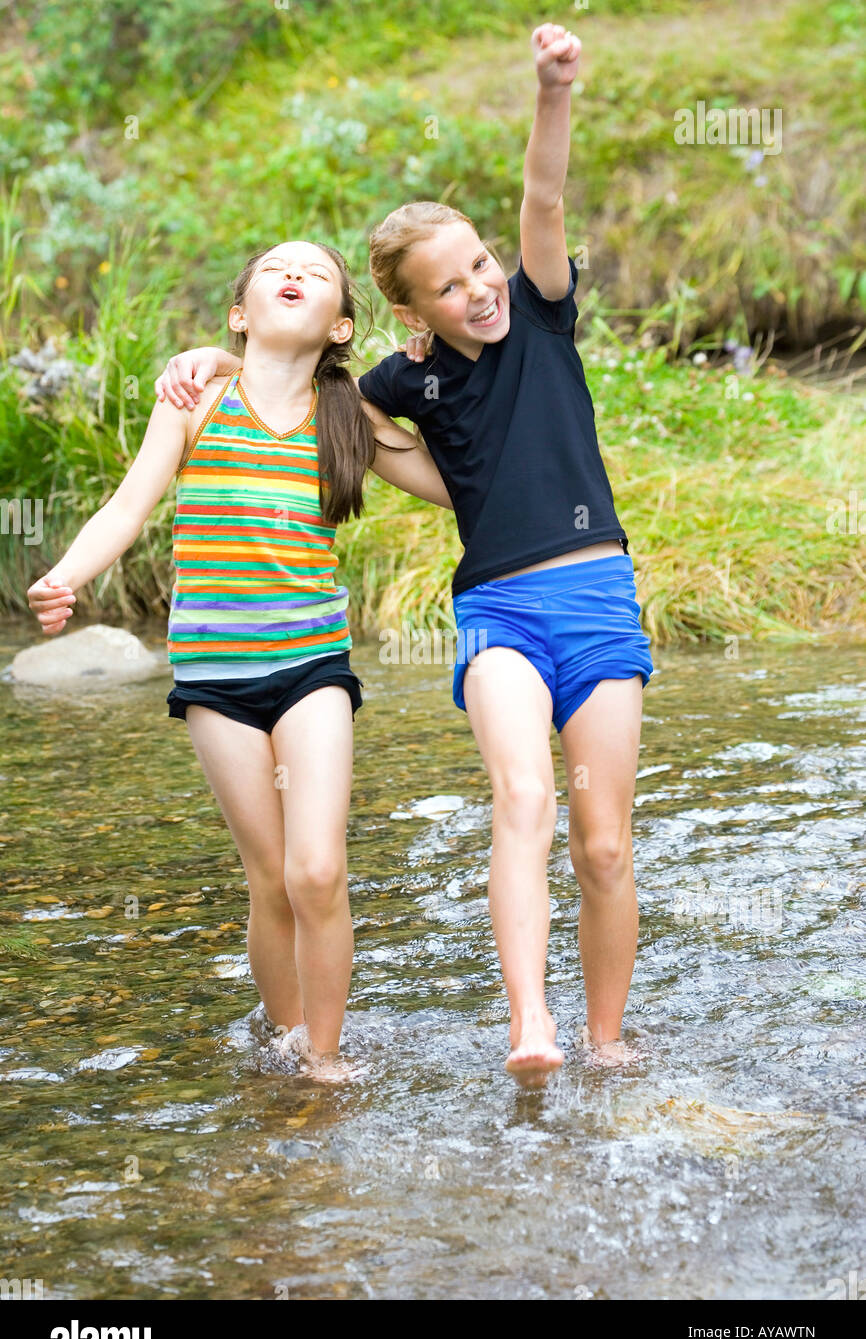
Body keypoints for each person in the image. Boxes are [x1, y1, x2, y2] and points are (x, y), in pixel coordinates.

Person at [154, 23, 654, 1086]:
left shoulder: (542, 318)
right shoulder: (401, 381)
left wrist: (552, 89)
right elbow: (309, 382)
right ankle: (531, 1024)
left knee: (604, 843)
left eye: (480, 264)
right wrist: (217, 357)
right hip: (496, 615)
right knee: (524, 799)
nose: (478, 287)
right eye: (450, 285)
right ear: (408, 314)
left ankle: (608, 1042)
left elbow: (544, 198)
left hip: (598, 595)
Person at [27, 239, 452, 1082]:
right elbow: (128, 506)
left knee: (317, 870)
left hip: (312, 666)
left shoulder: (347, 418)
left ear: (339, 327)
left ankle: (324, 1063)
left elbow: (451, 484)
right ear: (239, 313)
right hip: (216, 680)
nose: (293, 275)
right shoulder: (197, 401)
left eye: (316, 274)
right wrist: (66, 575)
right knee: (270, 878)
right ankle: (287, 1041)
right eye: (275, 269)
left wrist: (432, 372)